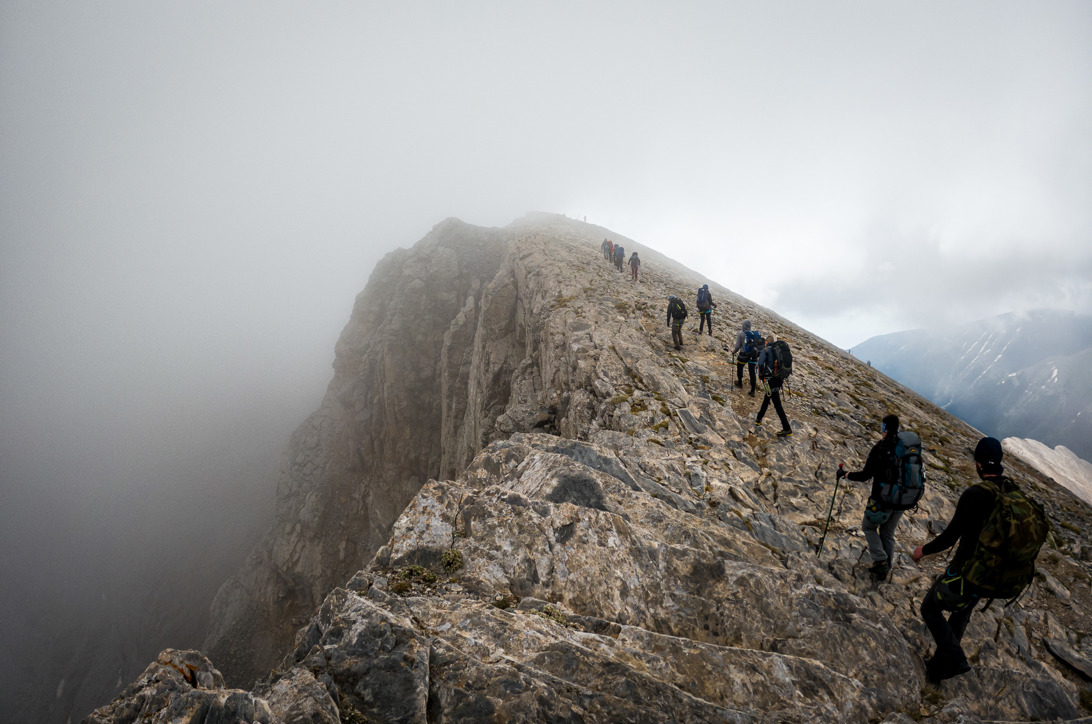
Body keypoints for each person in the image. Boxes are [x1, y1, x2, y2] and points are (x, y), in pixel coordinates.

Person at [911, 437, 1011, 684]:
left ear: (978, 463)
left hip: (967, 570)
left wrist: (923, 550)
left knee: (930, 607)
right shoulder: (1010, 491)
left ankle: (955, 658)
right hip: (994, 572)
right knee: (961, 615)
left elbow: (950, 537)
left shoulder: (975, 494)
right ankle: (938, 670)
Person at [837, 414, 904, 581]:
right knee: (887, 533)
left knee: (868, 527)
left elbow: (865, 475)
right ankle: (885, 568)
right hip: (902, 500)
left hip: (882, 499)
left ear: (885, 428)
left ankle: (881, 561)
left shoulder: (880, 448)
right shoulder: (904, 447)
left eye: (882, 427)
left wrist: (845, 474)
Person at [754, 335, 791, 437]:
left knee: (777, 404)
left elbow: (760, 363)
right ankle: (758, 419)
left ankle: (787, 428)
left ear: (766, 342)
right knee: (767, 397)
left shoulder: (766, 350)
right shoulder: (777, 351)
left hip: (769, 380)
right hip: (778, 379)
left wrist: (761, 374)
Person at [730, 319, 759, 396]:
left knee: (740, 367)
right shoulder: (753, 334)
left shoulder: (741, 333)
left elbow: (738, 346)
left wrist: (734, 352)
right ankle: (753, 390)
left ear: (743, 326)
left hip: (744, 355)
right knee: (752, 372)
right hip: (753, 356)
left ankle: (740, 382)